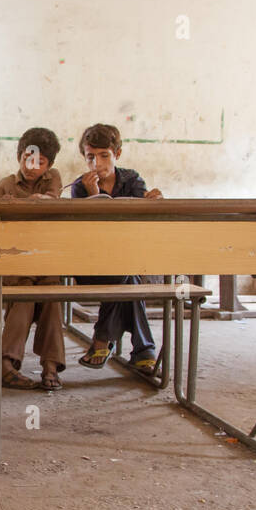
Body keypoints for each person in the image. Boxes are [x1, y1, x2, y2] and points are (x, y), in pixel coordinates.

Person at [68, 124, 164, 371]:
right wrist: (94, 195)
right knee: (127, 275)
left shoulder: (132, 180)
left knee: (127, 273)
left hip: (127, 257)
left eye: (104, 155)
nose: (97, 163)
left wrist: (153, 204)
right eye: (91, 157)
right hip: (91, 265)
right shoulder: (80, 187)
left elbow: (140, 225)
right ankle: (144, 349)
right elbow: (84, 236)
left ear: (117, 154)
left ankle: (102, 340)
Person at [0, 127, 66, 391]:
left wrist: (40, 200)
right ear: (19, 156)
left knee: (52, 295)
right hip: (14, 262)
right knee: (24, 294)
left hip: (44, 260)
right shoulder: (6, 185)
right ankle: (6, 365)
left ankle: (50, 366)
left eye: (40, 162)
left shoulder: (52, 177)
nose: (32, 166)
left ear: (49, 164)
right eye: (27, 159)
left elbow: (53, 197)